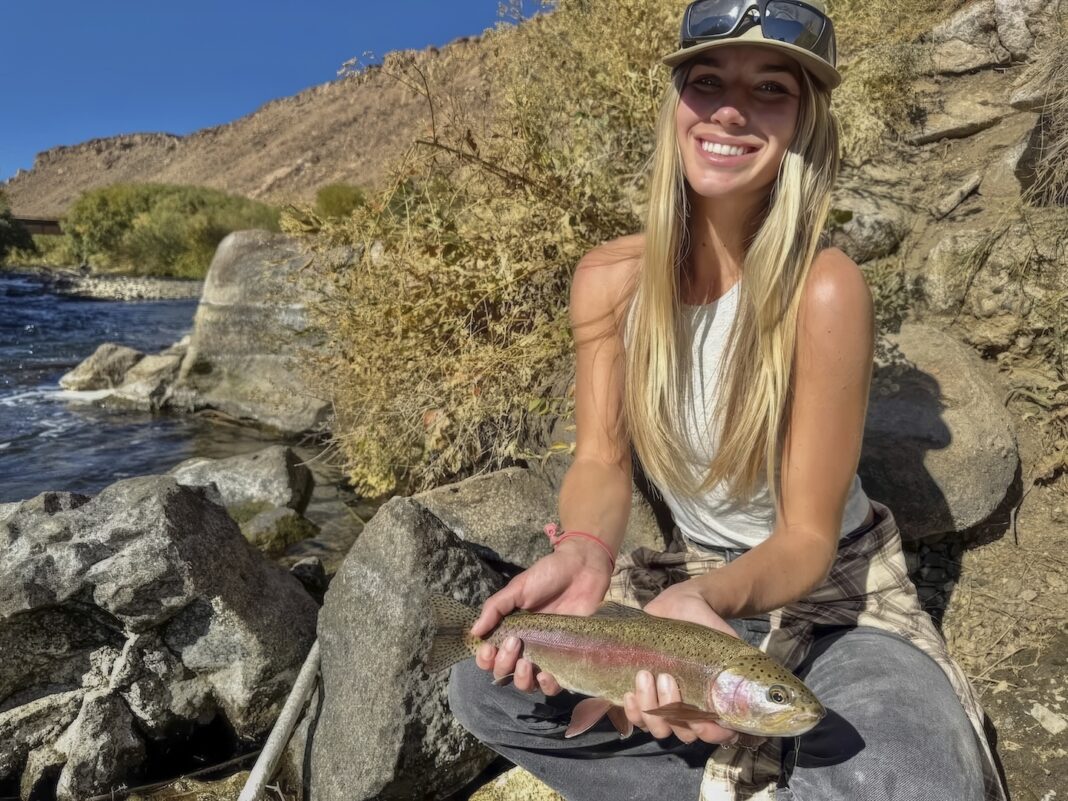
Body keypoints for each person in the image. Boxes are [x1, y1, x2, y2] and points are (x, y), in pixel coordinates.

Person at [448, 1, 1004, 798]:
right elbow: (602, 460)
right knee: (482, 689)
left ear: (802, 123)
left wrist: (702, 604)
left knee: (914, 777)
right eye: (706, 82)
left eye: (771, 89)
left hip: (835, 595)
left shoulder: (825, 287)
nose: (732, 110)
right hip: (682, 577)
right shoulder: (608, 279)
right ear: (676, 104)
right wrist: (584, 551)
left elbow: (811, 534)